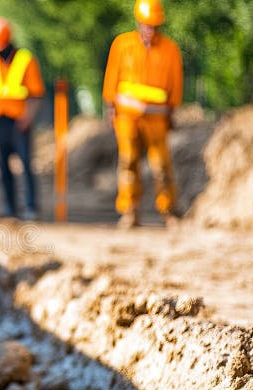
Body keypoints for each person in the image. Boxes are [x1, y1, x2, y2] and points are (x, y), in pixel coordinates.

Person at [103, 0, 183, 228]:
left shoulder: (170, 49)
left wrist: (172, 112)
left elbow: (175, 85)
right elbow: (112, 78)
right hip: (127, 117)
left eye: (154, 25)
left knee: (161, 165)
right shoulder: (123, 44)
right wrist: (111, 109)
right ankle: (130, 211)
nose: (150, 29)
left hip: (157, 117)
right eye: (147, 25)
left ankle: (168, 211)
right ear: (138, 22)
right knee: (128, 163)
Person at [0, 17, 45, 220]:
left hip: (20, 121)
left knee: (25, 162)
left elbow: (36, 94)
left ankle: (31, 207)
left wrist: (28, 117)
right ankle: (10, 207)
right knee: (3, 164)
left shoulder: (25, 59)